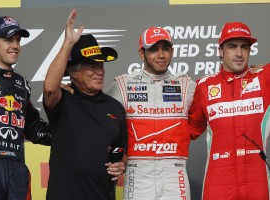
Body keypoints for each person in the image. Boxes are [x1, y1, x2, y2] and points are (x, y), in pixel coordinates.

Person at [43, 9, 127, 200]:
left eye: (101, 65)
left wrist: (123, 164)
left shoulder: (115, 107)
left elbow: (124, 152)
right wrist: (68, 44)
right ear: (73, 73)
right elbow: (49, 88)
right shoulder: (63, 98)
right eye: (92, 66)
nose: (100, 71)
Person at [106, 26, 196, 199]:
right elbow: (100, 117)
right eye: (154, 49)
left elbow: (206, 113)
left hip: (174, 173)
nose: (161, 55)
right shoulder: (123, 85)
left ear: (172, 51)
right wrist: (71, 91)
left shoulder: (186, 85)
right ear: (142, 53)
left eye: (166, 49)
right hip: (138, 174)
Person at [0, 16, 51, 200]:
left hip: (17, 168)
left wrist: (71, 133)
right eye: (8, 40)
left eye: (18, 40)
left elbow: (34, 129)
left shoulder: (22, 84)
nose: (15, 46)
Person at [188, 21, 270, 199]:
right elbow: (190, 130)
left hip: (257, 181)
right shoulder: (203, 86)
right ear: (220, 50)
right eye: (232, 47)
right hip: (219, 183)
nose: (239, 53)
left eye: (245, 47)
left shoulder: (264, 79)